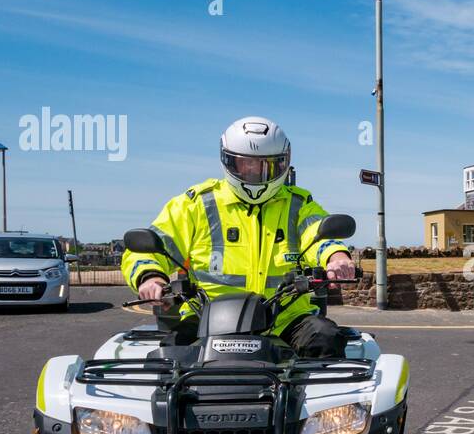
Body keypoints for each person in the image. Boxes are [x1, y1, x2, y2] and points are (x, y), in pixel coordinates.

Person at [121, 116, 356, 357]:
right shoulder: (197, 204)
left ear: (284, 163)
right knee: (173, 355)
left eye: (267, 165)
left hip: (286, 317)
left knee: (326, 339)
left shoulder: (298, 204)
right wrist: (150, 278)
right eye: (245, 164)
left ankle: (318, 396)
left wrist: (335, 256)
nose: (255, 172)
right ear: (228, 161)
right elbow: (149, 247)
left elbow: (318, 232)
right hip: (208, 317)